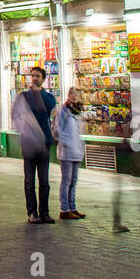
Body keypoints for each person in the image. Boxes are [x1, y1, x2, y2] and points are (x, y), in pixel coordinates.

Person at [12, 66, 56, 224]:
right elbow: (15, 114)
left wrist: (38, 93)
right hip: (29, 144)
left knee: (44, 181)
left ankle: (45, 212)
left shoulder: (47, 97)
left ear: (43, 79)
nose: (35, 78)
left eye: (37, 76)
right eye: (33, 76)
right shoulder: (24, 96)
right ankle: (32, 212)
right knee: (29, 181)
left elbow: (50, 107)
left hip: (44, 143)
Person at [55, 86, 85, 220]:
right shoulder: (63, 111)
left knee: (73, 181)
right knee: (66, 180)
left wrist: (80, 146)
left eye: (76, 94)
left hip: (76, 150)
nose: (73, 96)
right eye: (71, 94)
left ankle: (72, 207)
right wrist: (65, 142)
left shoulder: (79, 112)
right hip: (67, 151)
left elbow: (80, 132)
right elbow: (57, 129)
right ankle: (64, 208)